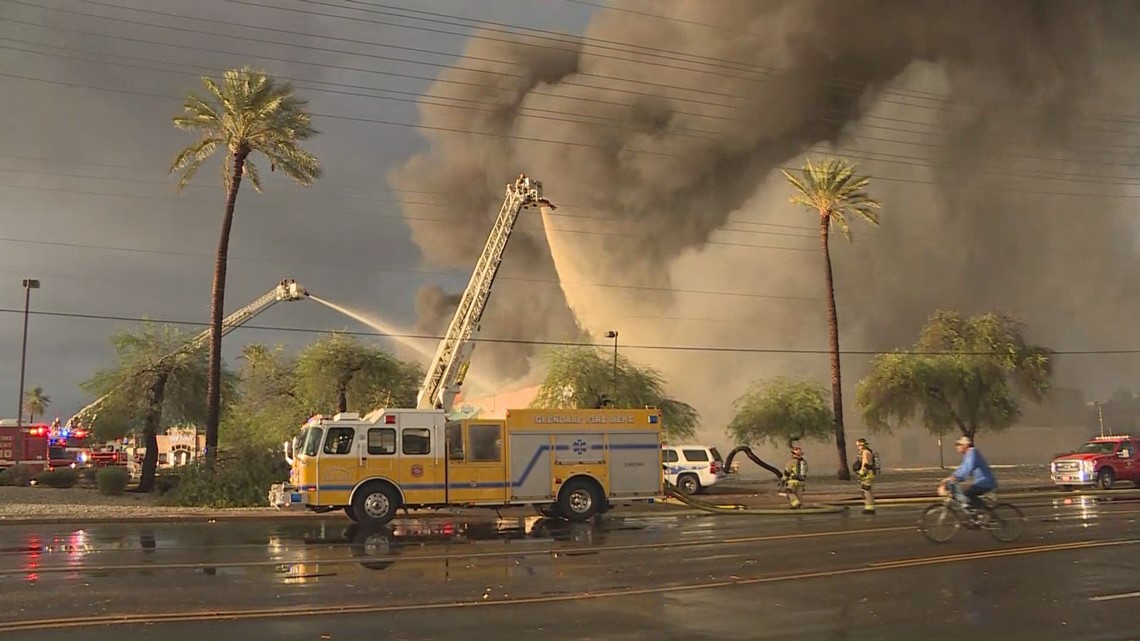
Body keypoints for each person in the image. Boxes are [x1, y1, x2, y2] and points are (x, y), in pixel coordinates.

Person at [941, 436, 997, 521]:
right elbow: (962, 468)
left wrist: (954, 478)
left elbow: (967, 469)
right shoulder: (968, 455)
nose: (957, 447)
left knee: (967, 494)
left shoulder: (973, 453)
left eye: (958, 444)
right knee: (965, 496)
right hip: (980, 482)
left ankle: (986, 512)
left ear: (965, 445)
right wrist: (951, 477)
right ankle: (976, 516)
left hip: (985, 482)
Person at [853, 438, 878, 514]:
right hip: (866, 474)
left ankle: (870, 509)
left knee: (867, 491)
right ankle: (868, 507)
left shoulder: (865, 452)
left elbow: (865, 464)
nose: (858, 447)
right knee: (865, 491)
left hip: (867, 474)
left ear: (862, 445)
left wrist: (860, 473)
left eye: (859, 445)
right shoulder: (863, 452)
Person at [782, 445, 807, 509]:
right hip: (801, 482)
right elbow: (805, 471)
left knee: (789, 492)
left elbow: (787, 471)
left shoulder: (791, 461)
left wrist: (784, 480)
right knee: (799, 495)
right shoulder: (804, 462)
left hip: (793, 481)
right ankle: (799, 507)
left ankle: (796, 504)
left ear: (793, 453)